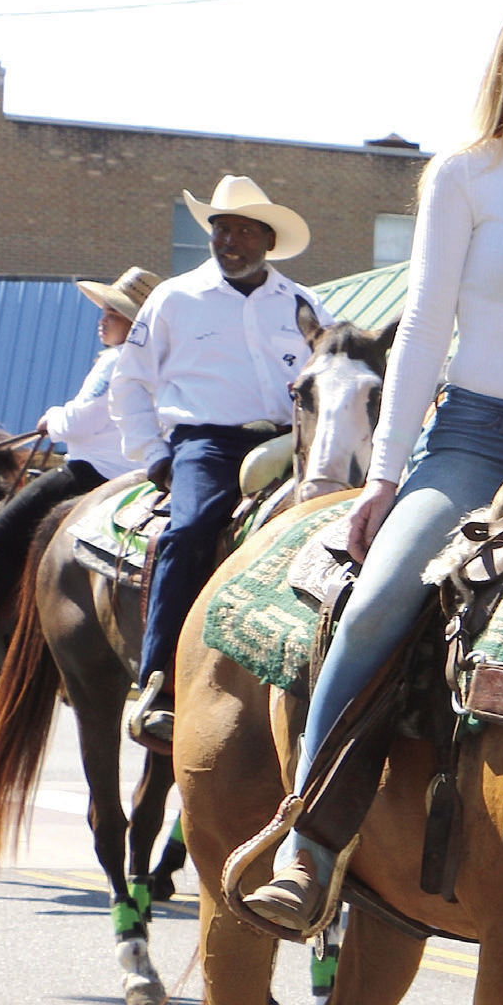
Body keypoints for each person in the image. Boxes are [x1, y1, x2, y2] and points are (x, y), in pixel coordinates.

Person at [240, 0, 503, 930]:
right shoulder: (465, 176)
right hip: (479, 439)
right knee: (376, 606)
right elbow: (424, 328)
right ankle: (310, 844)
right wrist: (386, 475)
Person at [109, 177, 327, 751]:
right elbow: (129, 382)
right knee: (190, 530)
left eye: (244, 230)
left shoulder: (303, 303)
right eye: (222, 228)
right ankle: (160, 685)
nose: (230, 240)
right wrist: (154, 455)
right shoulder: (175, 298)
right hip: (208, 443)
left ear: (267, 239)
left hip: (291, 442)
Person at [0, 266, 158, 689]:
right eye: (104, 310)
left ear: (135, 323)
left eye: (113, 313)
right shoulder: (159, 364)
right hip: (143, 479)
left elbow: (82, 422)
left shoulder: (114, 361)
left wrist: (53, 418)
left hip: (90, 474)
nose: (102, 319)